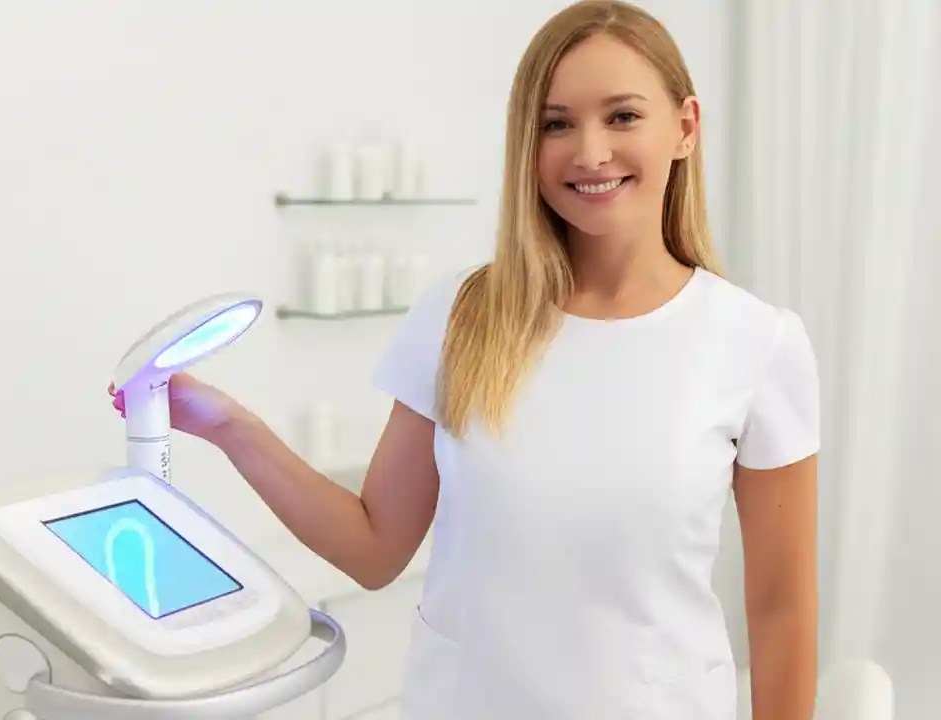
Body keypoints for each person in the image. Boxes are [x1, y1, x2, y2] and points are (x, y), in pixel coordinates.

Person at [111, 1, 819, 717]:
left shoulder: (756, 344)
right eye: (557, 123)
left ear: (685, 127)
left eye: (623, 116)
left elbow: (781, 609)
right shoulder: (462, 316)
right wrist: (229, 424)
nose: (591, 151)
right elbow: (373, 547)